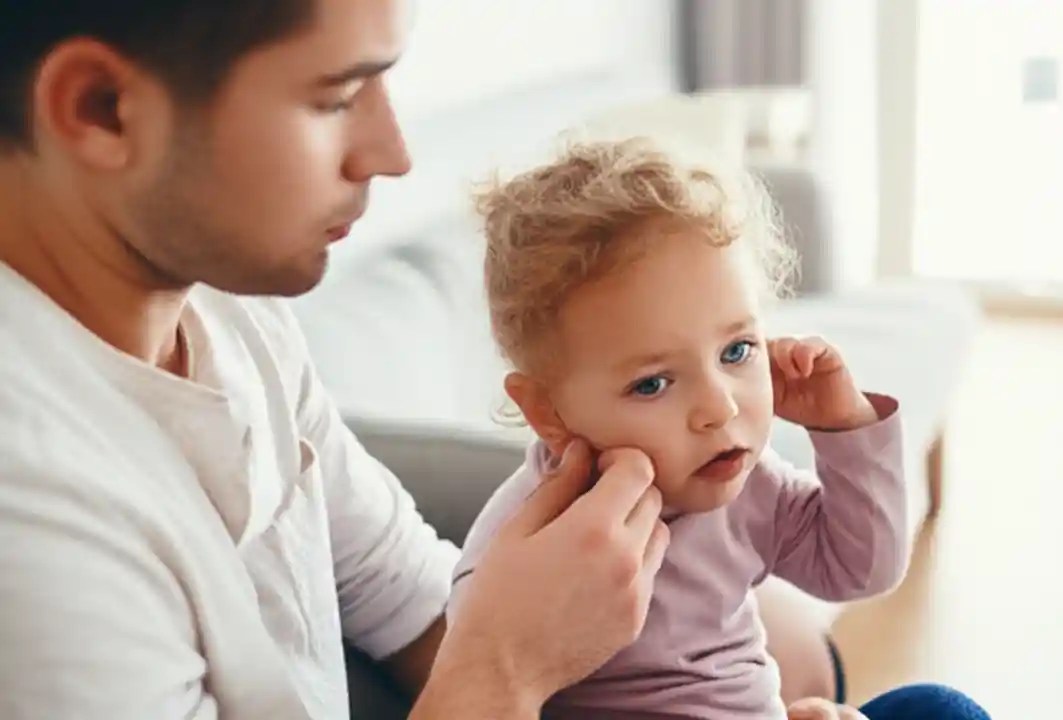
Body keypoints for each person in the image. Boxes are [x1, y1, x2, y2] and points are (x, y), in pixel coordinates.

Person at [0, 2, 989, 718]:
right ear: (100, 109)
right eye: (335, 95)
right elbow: (482, 643)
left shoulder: (229, 311)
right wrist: (507, 671)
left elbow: (399, 584)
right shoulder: (33, 527)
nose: (392, 152)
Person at [452, 138, 909, 719]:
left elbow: (861, 566)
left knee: (939, 708)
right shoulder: (522, 560)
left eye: (737, 350)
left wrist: (845, 428)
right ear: (548, 413)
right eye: (653, 384)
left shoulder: (745, 484)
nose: (718, 408)